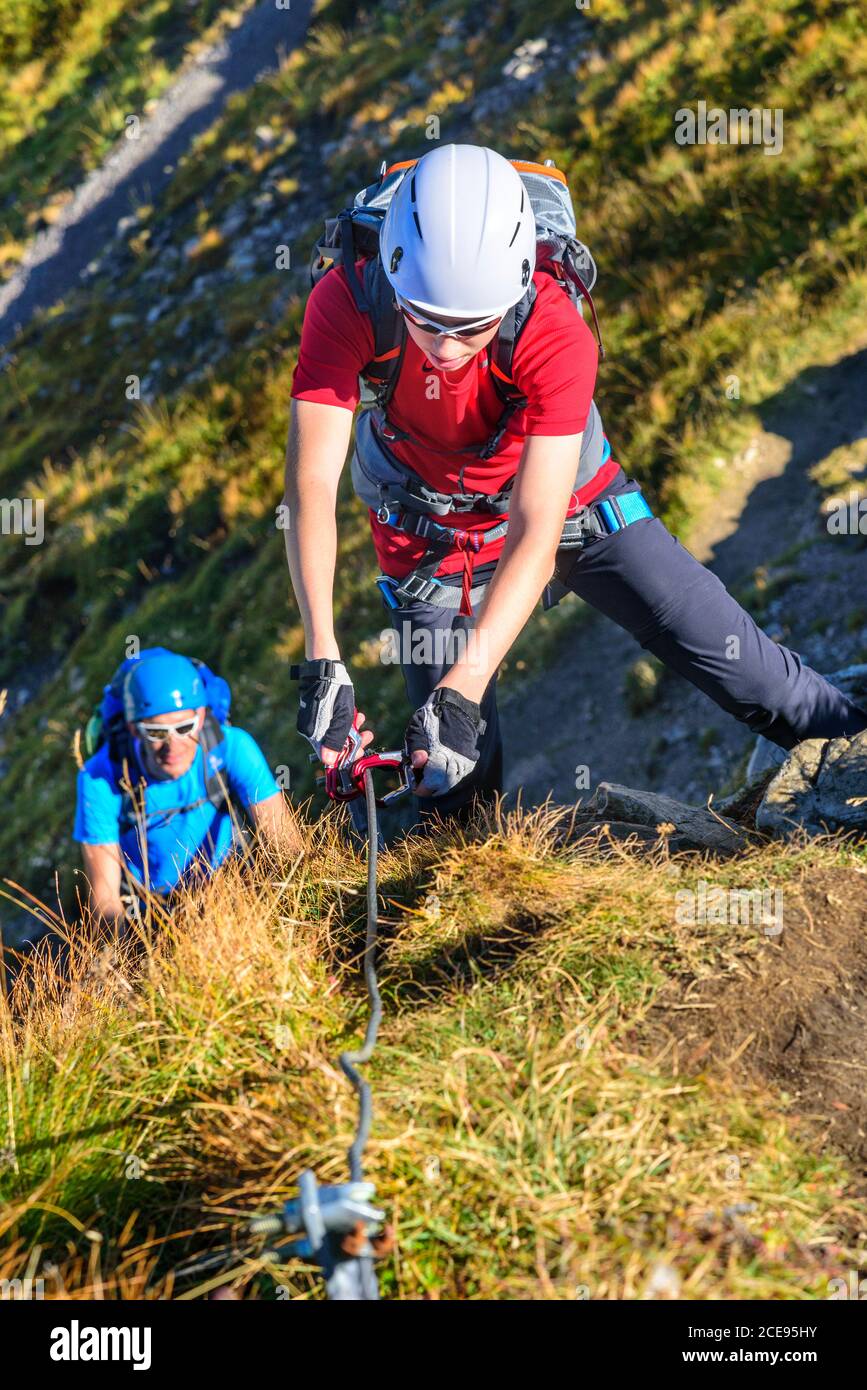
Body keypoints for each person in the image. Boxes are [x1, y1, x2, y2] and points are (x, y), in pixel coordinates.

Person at [284, 142, 867, 826]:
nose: (444, 348)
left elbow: (537, 527)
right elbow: (311, 488)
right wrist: (322, 652)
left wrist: (464, 683)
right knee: (448, 777)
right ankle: (465, 886)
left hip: (572, 505)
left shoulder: (555, 330)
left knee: (758, 680)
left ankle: (854, 760)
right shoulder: (347, 297)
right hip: (427, 531)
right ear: (389, 269)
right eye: (424, 319)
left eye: (469, 327)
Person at [74, 649, 297, 930]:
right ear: (133, 728)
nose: (173, 745)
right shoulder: (100, 779)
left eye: (185, 727)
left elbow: (286, 848)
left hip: (234, 886)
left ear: (201, 716)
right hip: (155, 914)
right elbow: (105, 899)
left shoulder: (232, 747)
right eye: (155, 733)